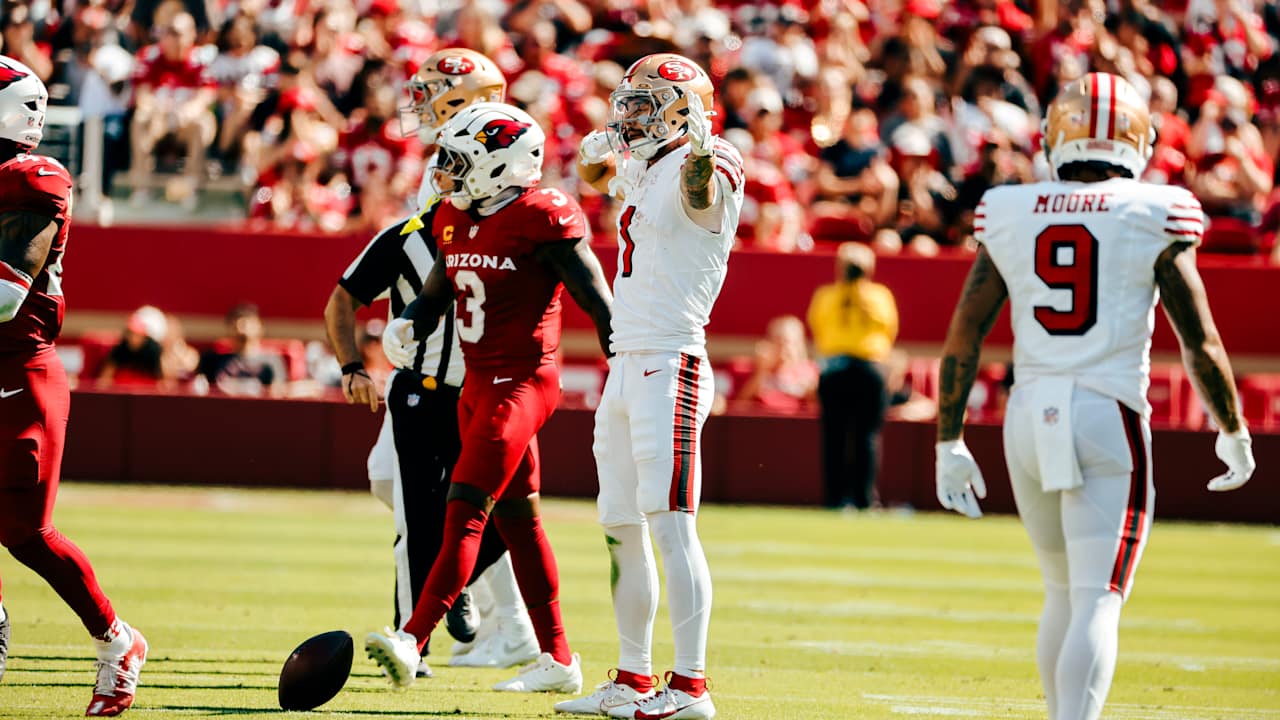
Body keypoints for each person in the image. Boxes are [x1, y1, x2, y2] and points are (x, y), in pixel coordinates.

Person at [935, 72, 1257, 720]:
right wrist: (1233, 427)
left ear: (1058, 133)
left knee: (1062, 592)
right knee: (1098, 596)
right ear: (1138, 139)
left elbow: (966, 331)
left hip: (1027, 412)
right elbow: (1200, 340)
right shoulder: (1154, 209)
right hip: (1106, 412)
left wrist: (948, 438)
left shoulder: (1012, 207)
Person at [365, 102, 613, 695]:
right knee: (520, 524)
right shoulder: (453, 214)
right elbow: (444, 282)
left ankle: (412, 636)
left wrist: (625, 364)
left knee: (463, 512)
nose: (446, 171)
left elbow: (599, 302)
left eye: (460, 159)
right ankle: (558, 659)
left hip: (523, 383)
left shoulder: (541, 215)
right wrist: (412, 322)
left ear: (500, 164)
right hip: (474, 384)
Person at [323, 47, 536, 678]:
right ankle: (479, 615)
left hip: (471, 369)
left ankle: (465, 624)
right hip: (425, 364)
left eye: (436, 89)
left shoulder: (498, 162)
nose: (421, 101)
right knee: (406, 488)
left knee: (472, 504)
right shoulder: (445, 159)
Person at [561, 52, 745, 719]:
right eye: (628, 103)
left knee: (672, 527)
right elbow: (596, 172)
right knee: (619, 525)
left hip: (672, 362)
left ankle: (691, 686)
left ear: (684, 110)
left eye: (645, 104)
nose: (631, 116)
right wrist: (593, 155)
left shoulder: (712, 159)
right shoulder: (644, 164)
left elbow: (699, 191)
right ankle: (632, 676)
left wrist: (694, 150)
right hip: (625, 363)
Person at [0, 55, 147, 716]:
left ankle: (117, 641)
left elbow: (4, 296)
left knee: (25, 531)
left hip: (15, 371)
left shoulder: (32, 178)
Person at [807, 242, 898, 511]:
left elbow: (818, 327)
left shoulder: (826, 295)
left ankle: (835, 500)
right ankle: (864, 500)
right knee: (867, 436)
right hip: (870, 369)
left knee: (834, 436)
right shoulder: (880, 296)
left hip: (835, 368)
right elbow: (890, 330)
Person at [196, 303, 286, 396]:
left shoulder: (271, 361)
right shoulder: (212, 360)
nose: (241, 327)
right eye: (236, 323)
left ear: (260, 327)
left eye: (248, 322)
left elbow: (278, 393)